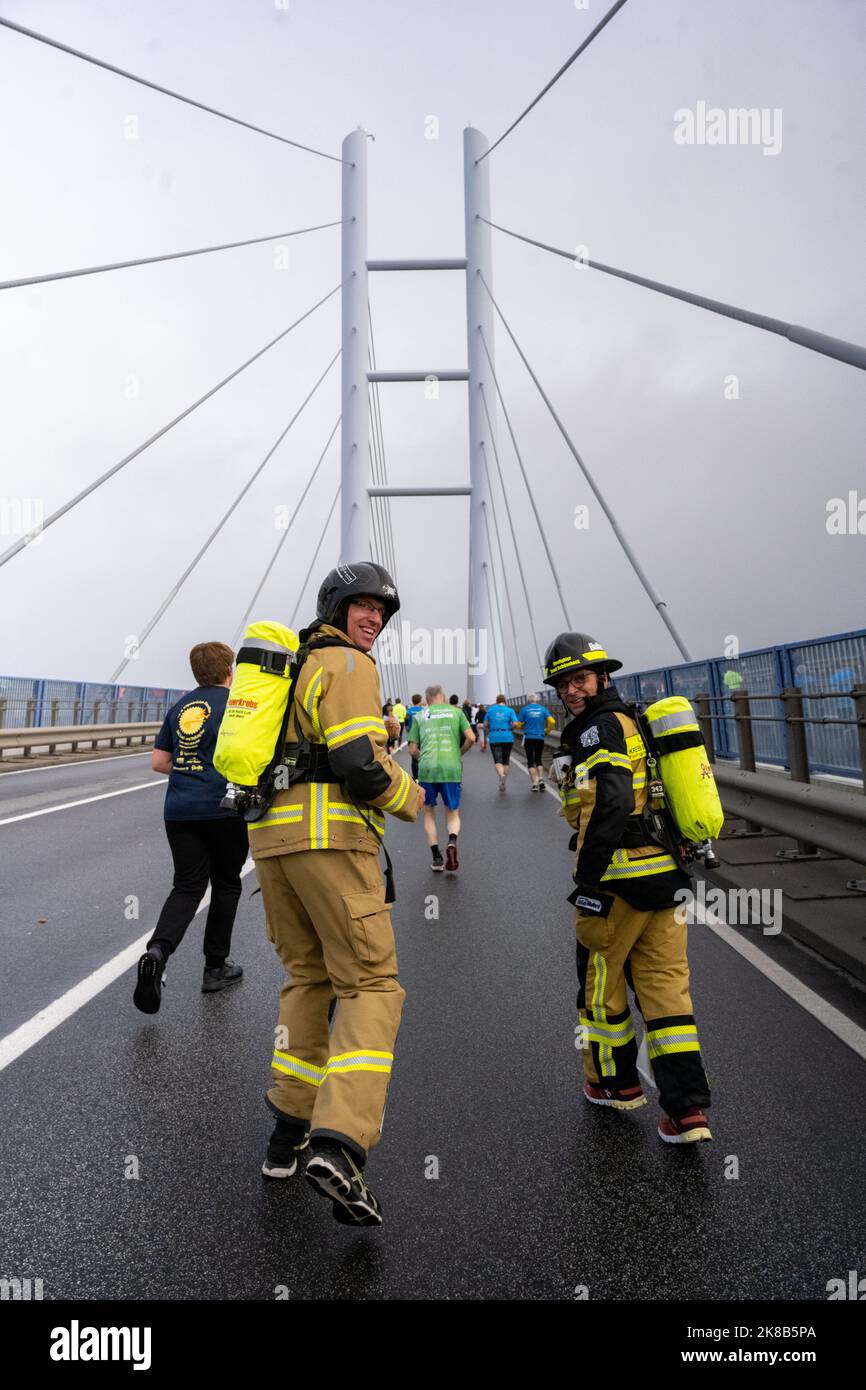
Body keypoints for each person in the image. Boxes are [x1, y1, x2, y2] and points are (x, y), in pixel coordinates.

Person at [248, 561, 423, 1226]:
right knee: (371, 984)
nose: (374, 618)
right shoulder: (347, 663)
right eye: (363, 605)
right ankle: (340, 1144)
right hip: (329, 839)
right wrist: (412, 798)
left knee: (308, 978)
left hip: (272, 842)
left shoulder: (293, 668)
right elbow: (357, 763)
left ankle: (286, 1136)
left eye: (382, 610)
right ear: (336, 608)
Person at [544, 631, 712, 1144]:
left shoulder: (598, 729)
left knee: (601, 986)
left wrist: (587, 876)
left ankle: (612, 1085)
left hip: (619, 882)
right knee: (667, 993)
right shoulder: (632, 720)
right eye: (563, 684)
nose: (571, 691)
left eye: (579, 679)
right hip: (666, 878)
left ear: (602, 678)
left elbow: (613, 800)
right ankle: (687, 1112)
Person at [133, 641, 249, 1014]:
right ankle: (215, 968)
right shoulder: (237, 705)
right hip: (225, 808)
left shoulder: (181, 706)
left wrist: (191, 769)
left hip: (179, 810)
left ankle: (157, 951)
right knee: (226, 884)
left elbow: (159, 762)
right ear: (230, 670)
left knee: (187, 886)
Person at [407, 685, 474, 872]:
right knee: (452, 813)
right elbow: (471, 738)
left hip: (427, 769)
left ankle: (437, 858)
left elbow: (412, 750)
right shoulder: (457, 712)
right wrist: (460, 753)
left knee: (429, 813)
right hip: (451, 768)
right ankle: (452, 841)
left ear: (427, 699)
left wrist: (422, 758)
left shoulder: (420, 715)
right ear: (443, 697)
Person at [515, 692, 556, 792]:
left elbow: (518, 725)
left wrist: (524, 724)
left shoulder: (524, 710)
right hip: (540, 737)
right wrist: (547, 731)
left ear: (528, 700)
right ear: (536, 700)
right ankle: (541, 779)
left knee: (530, 761)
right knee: (538, 759)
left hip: (529, 737)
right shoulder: (543, 709)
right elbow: (552, 721)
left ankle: (534, 784)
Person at [485, 694, 518, 794]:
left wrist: (491, 726)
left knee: (498, 760)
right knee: (506, 760)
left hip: (494, 737)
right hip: (507, 736)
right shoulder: (510, 710)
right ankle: (503, 782)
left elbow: (485, 724)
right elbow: (516, 723)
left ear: (496, 701)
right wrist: (510, 728)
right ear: (505, 701)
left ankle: (501, 775)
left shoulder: (490, 710)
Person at [404, 693, 426, 779]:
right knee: (424, 756)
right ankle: (424, 776)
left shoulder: (409, 711)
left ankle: (416, 777)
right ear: (420, 701)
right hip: (422, 736)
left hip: (412, 736)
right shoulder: (424, 711)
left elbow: (406, 723)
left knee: (414, 758)